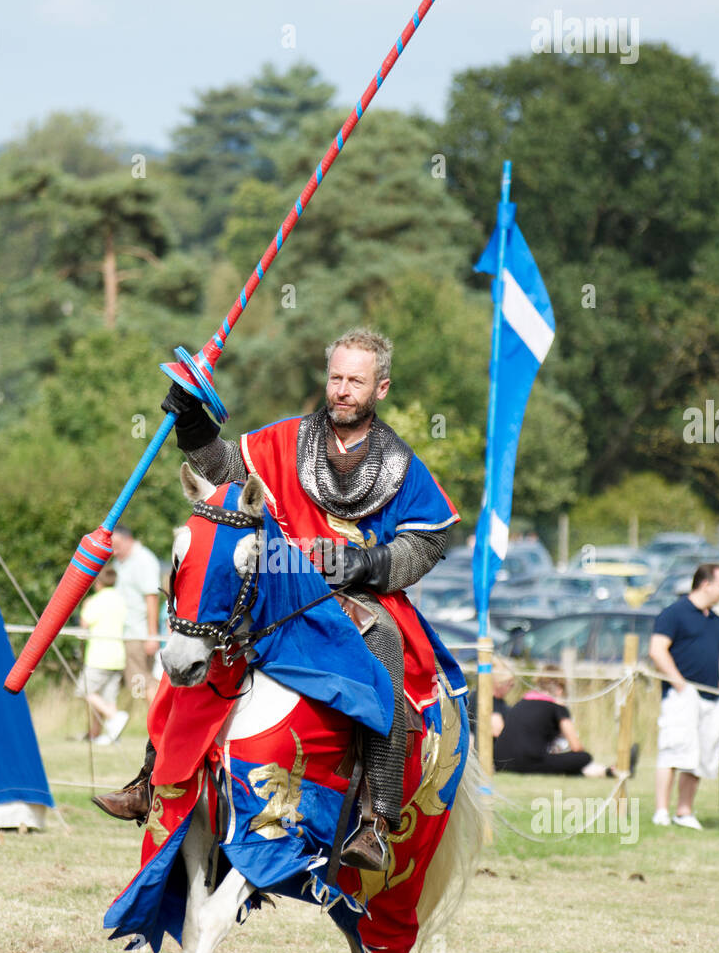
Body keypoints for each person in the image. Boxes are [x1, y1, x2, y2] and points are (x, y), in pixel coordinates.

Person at [93, 327, 459, 873]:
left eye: (355, 381)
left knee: (383, 642)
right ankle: (153, 778)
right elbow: (223, 470)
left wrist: (373, 564)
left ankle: (375, 819)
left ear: (380, 388)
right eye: (335, 377)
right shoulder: (286, 440)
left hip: (351, 592)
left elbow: (431, 536)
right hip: (275, 588)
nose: (341, 390)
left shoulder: (400, 465)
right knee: (198, 628)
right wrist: (194, 426)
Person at [649, 562, 719, 830]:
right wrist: (680, 685)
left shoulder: (716, 622)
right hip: (682, 697)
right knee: (673, 750)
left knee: (700, 755)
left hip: (711, 699)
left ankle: (684, 811)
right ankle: (661, 811)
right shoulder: (674, 613)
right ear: (705, 584)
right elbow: (658, 650)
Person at [493, 666, 620, 777]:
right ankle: (608, 771)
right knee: (584, 757)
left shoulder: (521, 702)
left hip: (500, 762)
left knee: (559, 763)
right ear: (559, 689)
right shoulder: (556, 707)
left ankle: (606, 772)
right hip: (526, 763)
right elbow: (576, 747)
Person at [110, 525, 161, 713]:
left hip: (139, 634)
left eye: (116, 545)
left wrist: (152, 635)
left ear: (128, 539)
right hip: (127, 632)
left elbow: (152, 598)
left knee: (144, 681)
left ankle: (158, 727)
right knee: (142, 682)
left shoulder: (143, 560)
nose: (113, 551)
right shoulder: (123, 561)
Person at [77, 565, 129, 745]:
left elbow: (85, 623)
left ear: (97, 583)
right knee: (109, 697)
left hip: (99, 655)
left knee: (86, 691)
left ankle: (114, 717)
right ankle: (110, 734)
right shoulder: (121, 600)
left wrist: (85, 607)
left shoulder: (95, 601)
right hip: (118, 655)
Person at [466, 656, 514, 746]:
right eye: (510, 684)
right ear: (499, 682)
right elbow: (497, 730)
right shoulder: (478, 698)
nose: (511, 687)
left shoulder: (500, 702)